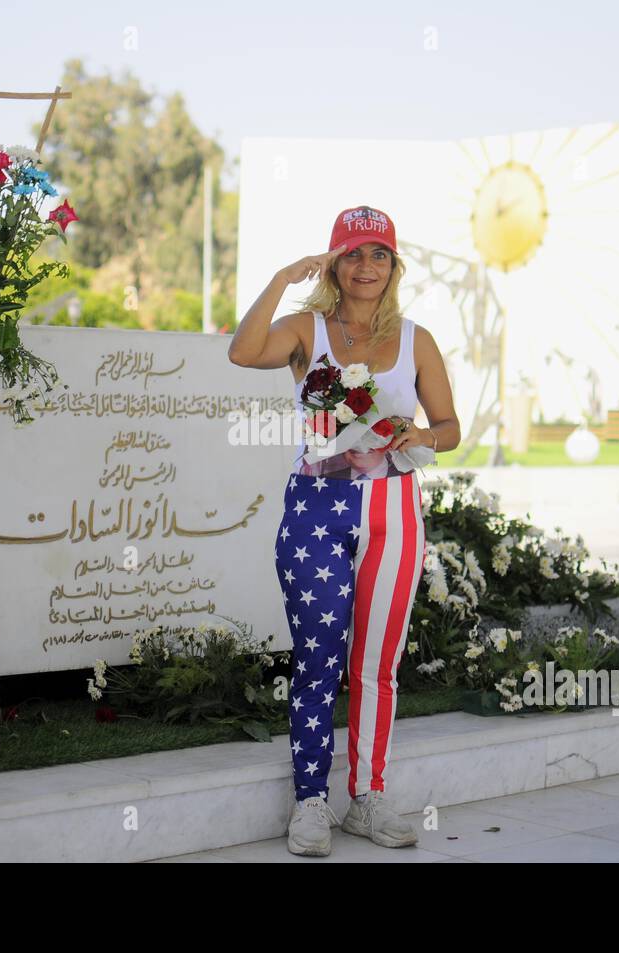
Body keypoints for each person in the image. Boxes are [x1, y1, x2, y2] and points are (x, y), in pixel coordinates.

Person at [228, 204, 461, 856]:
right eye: (353, 253)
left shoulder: (418, 340)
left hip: (393, 509)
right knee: (318, 660)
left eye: (378, 254)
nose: (366, 266)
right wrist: (281, 278)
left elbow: (450, 427)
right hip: (317, 511)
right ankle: (310, 802)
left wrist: (424, 435)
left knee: (377, 665)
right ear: (334, 263)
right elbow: (243, 350)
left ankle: (367, 797)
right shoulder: (307, 328)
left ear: (393, 265)